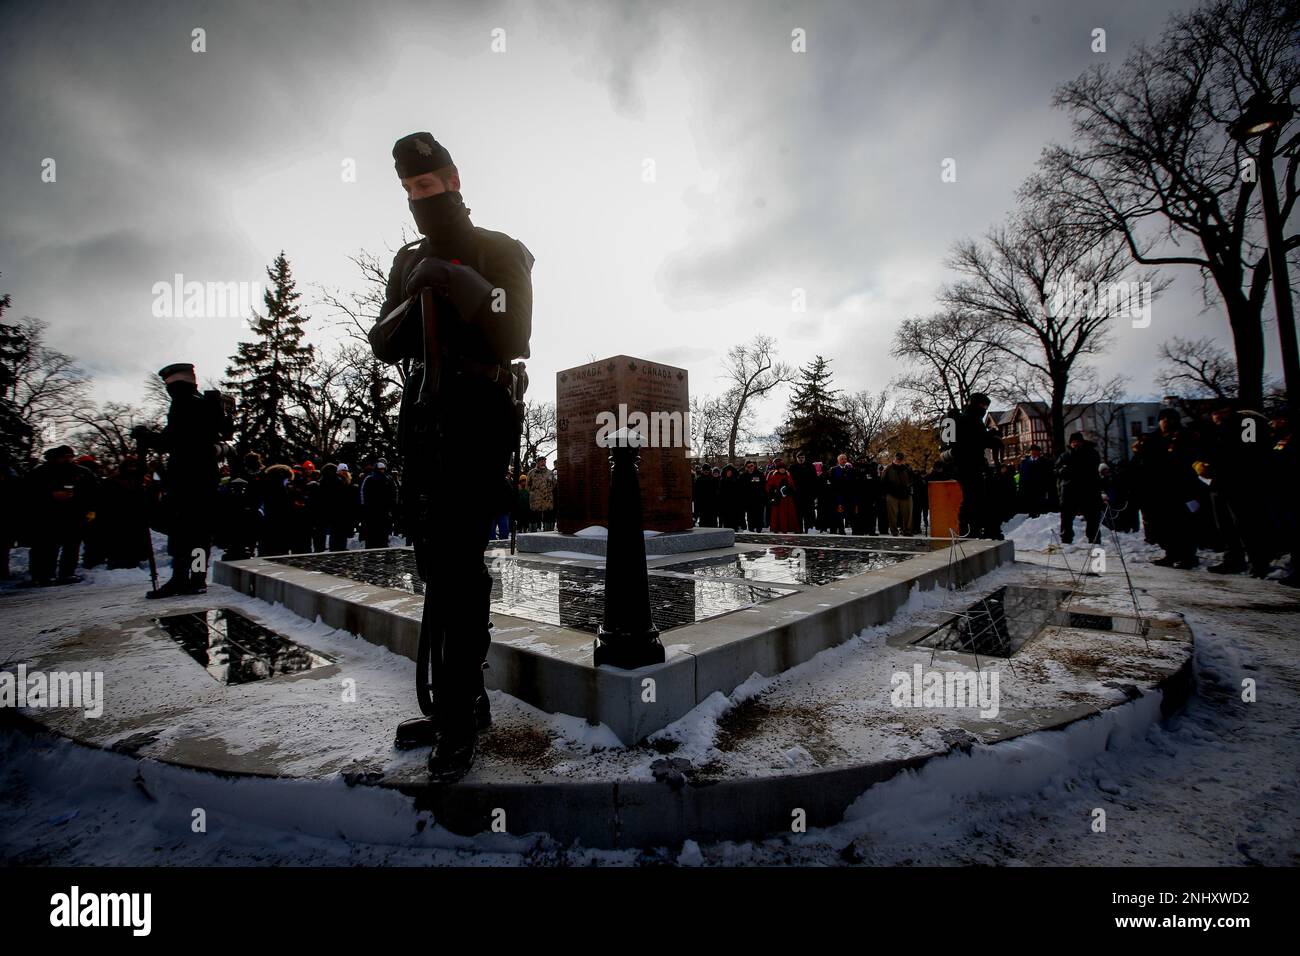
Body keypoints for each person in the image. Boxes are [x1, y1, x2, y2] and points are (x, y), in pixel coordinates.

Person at [368, 131, 533, 781]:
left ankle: (459, 713)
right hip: (423, 416)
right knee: (434, 561)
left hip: (480, 415)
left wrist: (459, 278)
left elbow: (512, 329)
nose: (419, 198)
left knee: (461, 561)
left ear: (455, 180)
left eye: (428, 186)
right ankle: (458, 699)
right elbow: (386, 342)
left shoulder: (500, 250)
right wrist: (416, 291)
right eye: (410, 190)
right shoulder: (408, 258)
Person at [131, 363, 224, 598]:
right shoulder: (205, 404)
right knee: (198, 534)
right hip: (204, 478)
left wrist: (146, 436)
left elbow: (173, 442)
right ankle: (196, 578)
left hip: (187, 478)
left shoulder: (184, 404)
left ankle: (182, 578)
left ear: (174, 384)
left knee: (184, 532)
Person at [23, 445, 96, 586]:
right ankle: (42, 575)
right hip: (48, 516)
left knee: (72, 546)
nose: (67, 459)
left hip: (74, 515)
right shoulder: (41, 472)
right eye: (64, 457)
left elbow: (92, 493)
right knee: (46, 546)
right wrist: (51, 495)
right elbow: (29, 493)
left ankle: (67, 573)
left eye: (70, 456)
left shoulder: (82, 473)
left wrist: (90, 510)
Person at [1140, 408, 1201, 569]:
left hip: (1181, 487)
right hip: (1159, 488)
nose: (1167, 422)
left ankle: (1188, 556)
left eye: (1170, 419)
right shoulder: (1152, 439)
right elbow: (1143, 461)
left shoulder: (1185, 436)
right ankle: (1170, 553)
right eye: (1164, 419)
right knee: (1163, 523)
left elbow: (1191, 458)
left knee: (1182, 524)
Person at [951, 394, 1002, 538]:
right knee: (973, 497)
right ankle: (968, 527)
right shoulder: (971, 420)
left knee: (973, 497)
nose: (985, 409)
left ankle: (972, 528)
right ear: (979, 405)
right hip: (970, 464)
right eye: (984, 406)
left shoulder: (966, 419)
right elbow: (976, 441)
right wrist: (992, 436)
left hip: (965, 465)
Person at [1055, 432, 1102, 544]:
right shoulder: (1065, 456)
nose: (1075, 444)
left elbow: (1093, 469)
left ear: (1082, 442)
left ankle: (1094, 538)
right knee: (1066, 517)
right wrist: (1062, 471)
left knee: (1092, 517)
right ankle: (1066, 538)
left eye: (1077, 442)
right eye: (1073, 442)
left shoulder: (1091, 453)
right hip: (1069, 491)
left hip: (1088, 490)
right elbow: (1056, 471)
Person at [360, 460, 396, 549]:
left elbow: (393, 493)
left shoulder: (387, 479)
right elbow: (363, 493)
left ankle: (379, 543)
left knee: (380, 528)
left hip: (382, 509)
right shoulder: (371, 478)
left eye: (383, 469)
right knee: (375, 528)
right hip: (373, 509)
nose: (382, 470)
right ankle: (375, 544)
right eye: (381, 469)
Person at [881, 452, 913, 536]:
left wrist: (909, 488)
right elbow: (883, 481)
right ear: (894, 458)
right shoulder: (888, 468)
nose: (899, 461)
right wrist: (886, 493)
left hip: (905, 494)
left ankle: (906, 531)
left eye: (900, 459)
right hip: (892, 494)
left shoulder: (906, 468)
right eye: (897, 459)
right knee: (892, 515)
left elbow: (912, 479)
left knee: (907, 514)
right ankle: (894, 531)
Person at [765, 457, 799, 532]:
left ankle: (789, 528)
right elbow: (768, 487)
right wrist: (774, 492)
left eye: (783, 468)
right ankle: (777, 528)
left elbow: (792, 486)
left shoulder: (788, 476)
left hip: (787, 499)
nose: (782, 469)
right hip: (778, 499)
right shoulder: (773, 476)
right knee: (777, 514)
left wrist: (790, 490)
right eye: (781, 468)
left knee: (789, 513)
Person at [527, 457, 555, 532]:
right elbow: (528, 485)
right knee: (533, 517)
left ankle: (548, 533)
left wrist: (549, 491)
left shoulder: (550, 473)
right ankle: (532, 534)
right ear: (538, 463)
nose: (543, 463)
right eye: (541, 461)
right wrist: (533, 493)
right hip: (535, 500)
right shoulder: (531, 473)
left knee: (548, 518)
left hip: (547, 500)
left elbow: (554, 484)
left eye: (544, 461)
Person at [742, 460, 766, 532]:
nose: (750, 468)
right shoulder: (743, 476)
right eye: (748, 466)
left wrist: (763, 497)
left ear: (754, 466)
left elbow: (764, 486)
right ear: (746, 467)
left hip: (759, 499)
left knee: (759, 515)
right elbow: (741, 488)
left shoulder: (760, 474)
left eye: (751, 466)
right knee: (750, 516)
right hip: (749, 500)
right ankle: (751, 529)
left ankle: (759, 529)